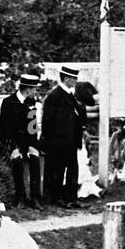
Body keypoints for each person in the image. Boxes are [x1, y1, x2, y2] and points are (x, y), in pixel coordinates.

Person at [40, 66, 87, 208]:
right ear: (66, 79)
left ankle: (71, 198)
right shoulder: (54, 96)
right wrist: (48, 141)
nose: (76, 81)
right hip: (58, 141)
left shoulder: (70, 95)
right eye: (74, 78)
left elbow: (77, 115)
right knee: (57, 170)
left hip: (71, 141)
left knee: (72, 169)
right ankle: (56, 198)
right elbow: (47, 121)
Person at [0, 73, 43, 209]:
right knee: (17, 161)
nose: (34, 92)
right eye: (34, 89)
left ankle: (35, 198)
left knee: (35, 158)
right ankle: (20, 197)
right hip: (11, 142)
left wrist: (33, 146)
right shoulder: (8, 102)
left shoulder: (31, 103)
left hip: (27, 143)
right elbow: (4, 129)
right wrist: (13, 147)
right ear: (28, 89)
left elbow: (32, 128)